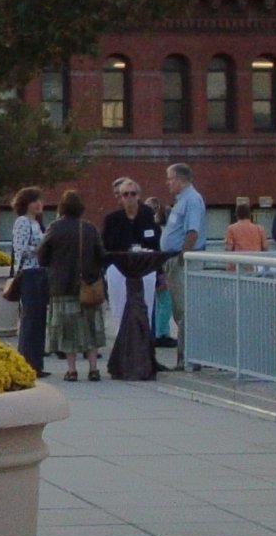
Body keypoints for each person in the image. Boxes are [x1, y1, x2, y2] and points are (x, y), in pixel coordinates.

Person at [39, 190, 107, 382]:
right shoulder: (90, 228)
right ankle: (93, 369)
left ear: (62, 207)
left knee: (67, 331)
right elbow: (101, 255)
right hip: (88, 286)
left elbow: (42, 256)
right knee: (90, 329)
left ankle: (72, 370)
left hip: (62, 287)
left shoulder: (55, 228)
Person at [102, 180, 160, 382]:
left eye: (132, 194)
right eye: (125, 194)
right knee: (120, 313)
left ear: (138, 195)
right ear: (119, 197)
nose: (129, 198)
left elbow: (156, 244)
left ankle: (146, 357)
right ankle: (123, 357)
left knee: (145, 311)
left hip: (145, 269)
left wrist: (159, 273)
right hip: (119, 270)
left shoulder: (147, 216)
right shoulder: (113, 220)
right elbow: (106, 247)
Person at [157, 162, 206, 360]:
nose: (167, 183)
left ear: (179, 179)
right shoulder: (181, 200)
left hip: (182, 260)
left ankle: (188, 356)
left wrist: (181, 258)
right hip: (172, 259)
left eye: (170, 178)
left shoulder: (192, 200)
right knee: (178, 310)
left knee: (185, 309)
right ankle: (186, 355)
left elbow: (192, 232)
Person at [8, 187, 48, 374]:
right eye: (34, 201)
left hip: (40, 272)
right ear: (26, 204)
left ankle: (37, 362)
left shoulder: (37, 223)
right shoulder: (22, 222)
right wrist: (39, 249)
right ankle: (26, 362)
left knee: (39, 318)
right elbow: (20, 248)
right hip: (28, 273)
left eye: (39, 200)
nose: (38, 204)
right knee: (30, 318)